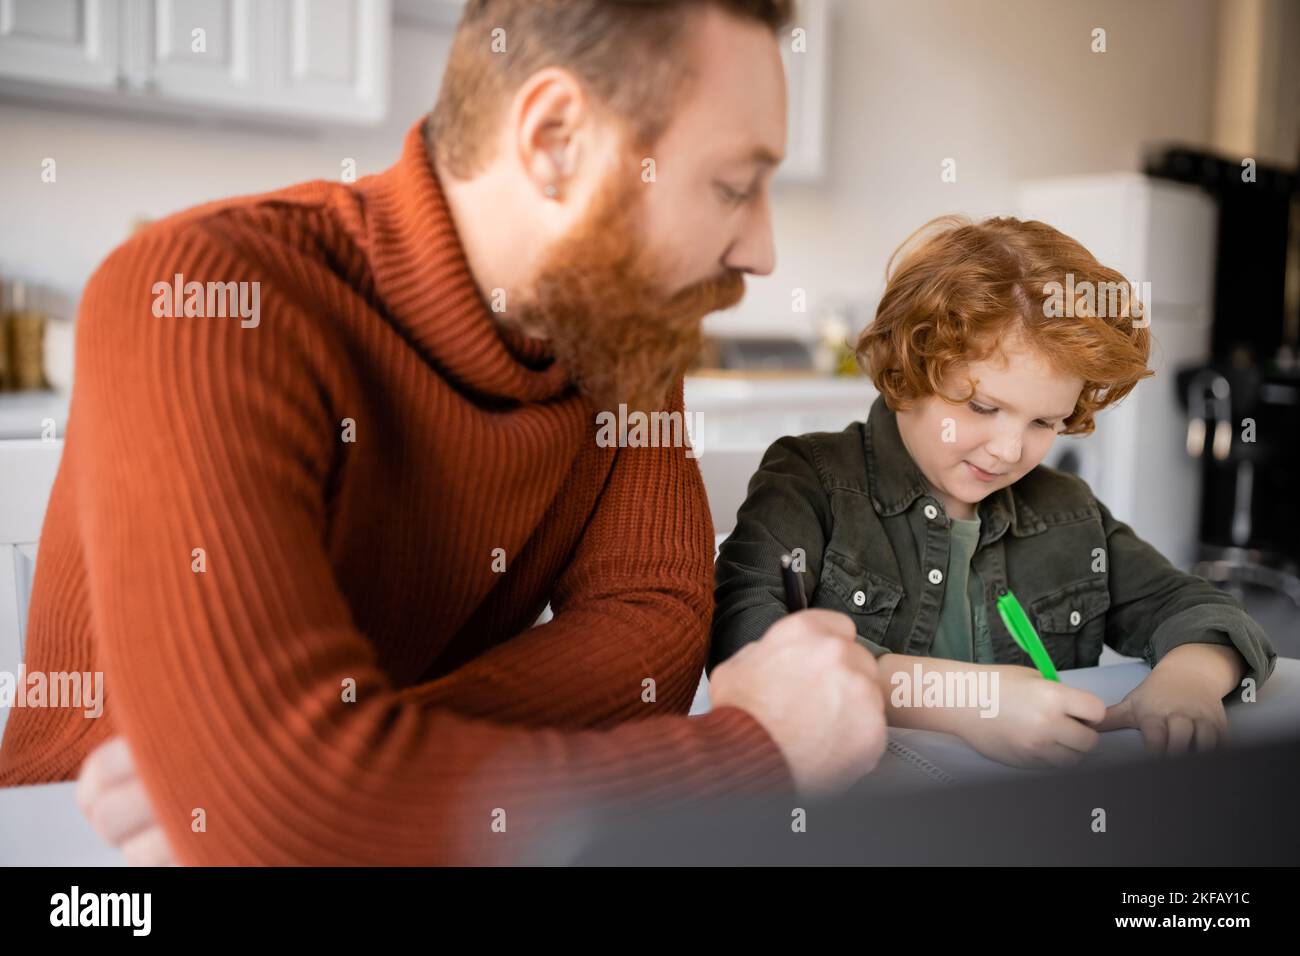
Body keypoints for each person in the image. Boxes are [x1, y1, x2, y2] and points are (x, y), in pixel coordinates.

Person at [0, 0, 887, 865]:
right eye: (734, 186)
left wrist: (332, 765)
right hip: (87, 843)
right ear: (553, 140)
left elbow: (651, 625)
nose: (762, 250)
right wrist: (758, 753)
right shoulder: (199, 294)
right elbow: (281, 816)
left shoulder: (620, 323)